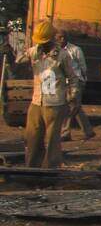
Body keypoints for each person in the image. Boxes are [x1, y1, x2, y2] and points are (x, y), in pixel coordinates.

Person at [23, 20, 73, 168]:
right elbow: (18, 62)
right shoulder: (34, 52)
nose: (42, 45)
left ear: (51, 39)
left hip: (55, 103)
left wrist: (73, 97)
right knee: (32, 136)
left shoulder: (62, 56)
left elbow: (73, 77)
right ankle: (32, 168)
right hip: (37, 101)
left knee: (52, 139)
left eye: (44, 42)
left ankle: (50, 169)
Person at [56, 29, 95, 141]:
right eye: (60, 37)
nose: (62, 39)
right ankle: (88, 131)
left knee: (71, 107)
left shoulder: (75, 50)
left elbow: (83, 67)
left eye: (64, 37)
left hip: (75, 82)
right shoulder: (55, 51)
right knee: (74, 107)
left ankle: (65, 132)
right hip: (62, 82)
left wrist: (83, 80)